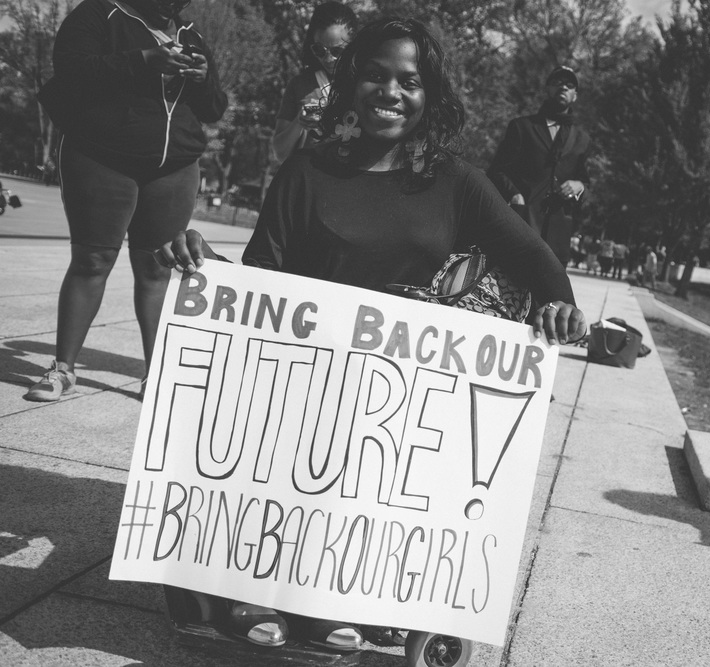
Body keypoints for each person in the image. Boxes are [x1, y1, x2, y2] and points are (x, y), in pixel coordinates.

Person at [157, 16, 587, 652]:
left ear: (431, 96)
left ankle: (349, 591)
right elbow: (262, 283)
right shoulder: (305, 173)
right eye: (375, 74)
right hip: (304, 384)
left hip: (397, 402)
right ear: (351, 84)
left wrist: (559, 304)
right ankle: (254, 576)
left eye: (409, 81)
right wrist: (202, 265)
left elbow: (537, 260)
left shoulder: (456, 181)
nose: (391, 90)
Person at [26, 0, 227, 402]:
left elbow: (213, 108)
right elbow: (72, 72)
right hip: (101, 157)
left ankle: (157, 376)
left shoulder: (192, 36)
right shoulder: (100, 14)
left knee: (158, 270)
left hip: (174, 168)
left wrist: (204, 78)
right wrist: (144, 59)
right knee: (93, 260)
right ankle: (62, 370)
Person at [487, 65, 591, 266]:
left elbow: (586, 184)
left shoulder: (583, 139)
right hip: (522, 224)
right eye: (557, 82)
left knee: (549, 296)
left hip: (558, 234)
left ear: (575, 96)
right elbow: (497, 171)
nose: (563, 87)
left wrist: (579, 187)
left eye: (569, 85)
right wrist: (515, 196)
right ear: (547, 88)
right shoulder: (522, 127)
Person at [271, 1, 358, 163]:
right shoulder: (299, 85)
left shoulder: (364, 85)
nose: (328, 58)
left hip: (349, 180)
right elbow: (280, 153)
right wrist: (299, 121)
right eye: (319, 49)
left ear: (353, 47)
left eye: (337, 51)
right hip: (307, 181)